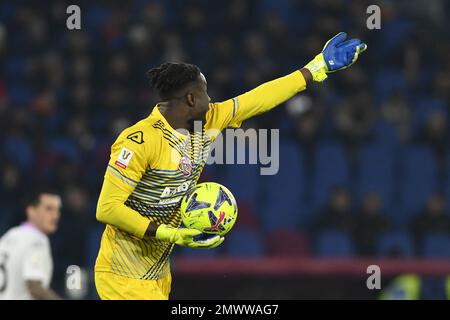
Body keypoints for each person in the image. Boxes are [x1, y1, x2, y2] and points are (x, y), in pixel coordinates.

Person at [94, 32, 367, 300]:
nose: (210, 100)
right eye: (205, 92)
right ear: (190, 99)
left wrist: (315, 68)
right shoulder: (139, 140)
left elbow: (257, 99)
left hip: (156, 275)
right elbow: (107, 208)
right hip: (121, 274)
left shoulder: (208, 120)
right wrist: (171, 233)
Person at [0, 189, 62, 300]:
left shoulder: (8, 236)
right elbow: (35, 287)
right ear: (31, 211)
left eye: (58, 210)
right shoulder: (37, 241)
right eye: (49, 209)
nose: (55, 215)